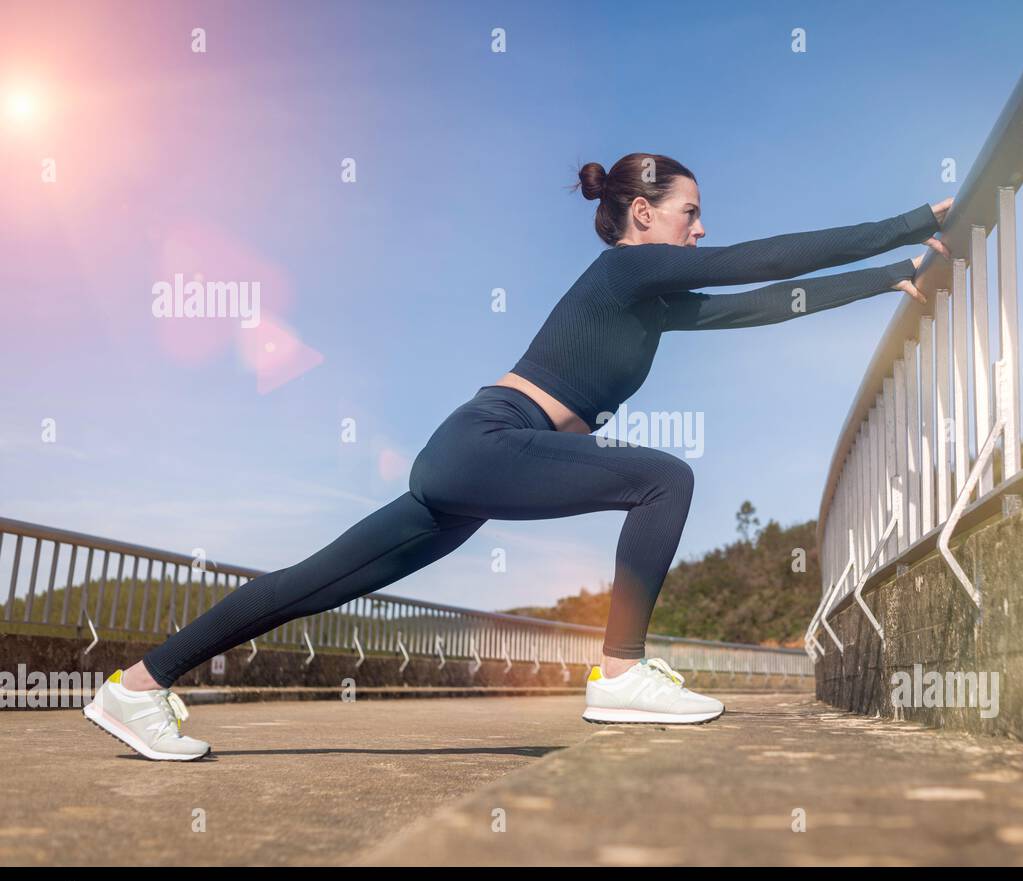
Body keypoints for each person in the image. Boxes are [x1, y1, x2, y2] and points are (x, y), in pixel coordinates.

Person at [83, 151, 951, 759]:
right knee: (664, 479)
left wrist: (887, 276)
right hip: (489, 443)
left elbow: (763, 302)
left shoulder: (648, 299)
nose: (700, 229)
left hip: (476, 460)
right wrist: (911, 219)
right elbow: (756, 260)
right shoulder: (627, 271)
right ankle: (618, 674)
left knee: (312, 583)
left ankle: (137, 685)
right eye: (689, 213)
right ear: (643, 214)